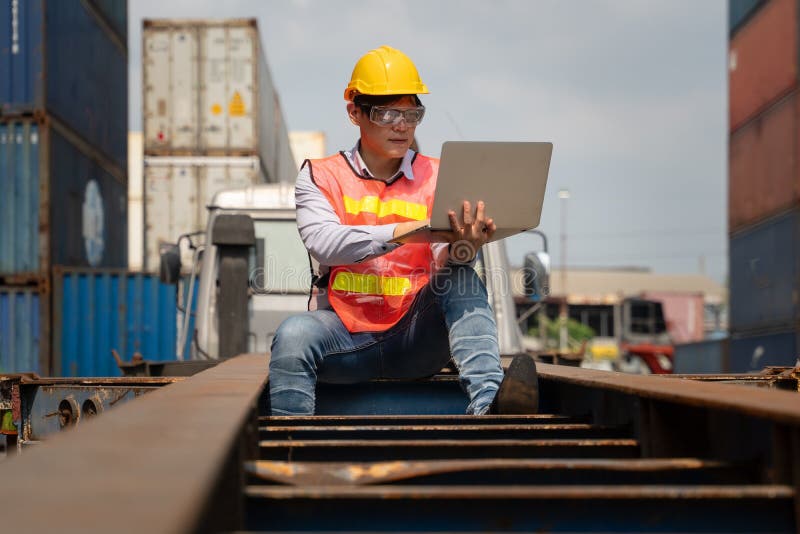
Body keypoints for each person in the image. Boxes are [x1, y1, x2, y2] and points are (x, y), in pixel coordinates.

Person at [268, 45, 538, 416]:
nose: (403, 125)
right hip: (343, 337)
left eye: (412, 114)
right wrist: (404, 231)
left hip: (415, 340)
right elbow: (325, 245)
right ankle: (289, 442)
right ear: (355, 113)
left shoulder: (439, 174)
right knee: (294, 334)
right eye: (388, 113)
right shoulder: (319, 175)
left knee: (461, 278)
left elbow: (445, 260)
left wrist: (465, 245)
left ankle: (490, 406)